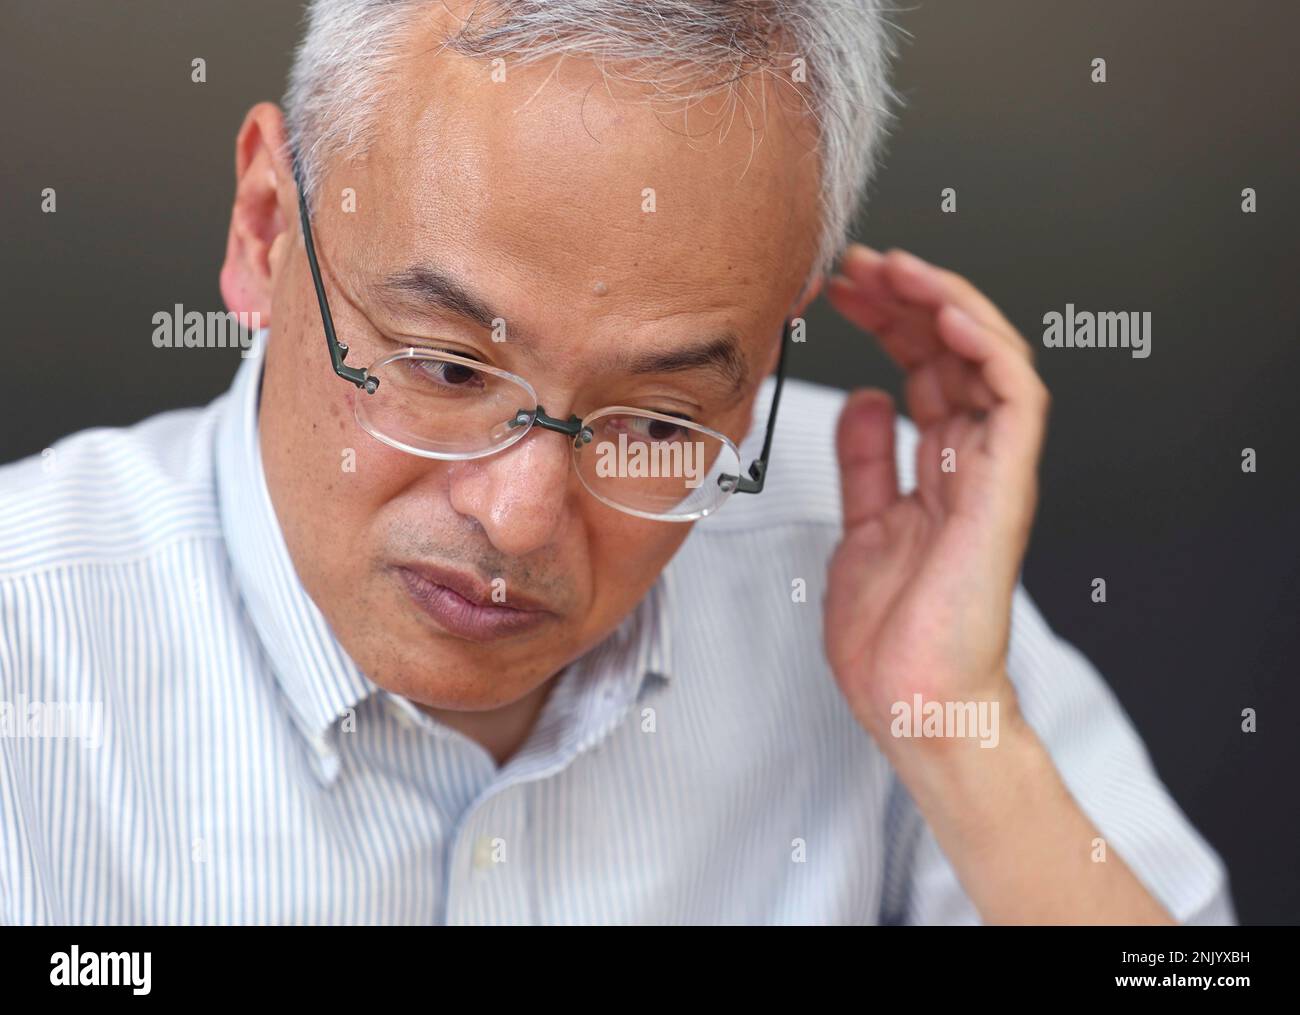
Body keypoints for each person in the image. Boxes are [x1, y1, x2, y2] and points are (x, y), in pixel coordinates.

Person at [0, 0, 1232, 924]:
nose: (522, 516)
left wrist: (965, 739)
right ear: (265, 225)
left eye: (656, 422)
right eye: (445, 367)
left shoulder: (866, 539)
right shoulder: (29, 638)